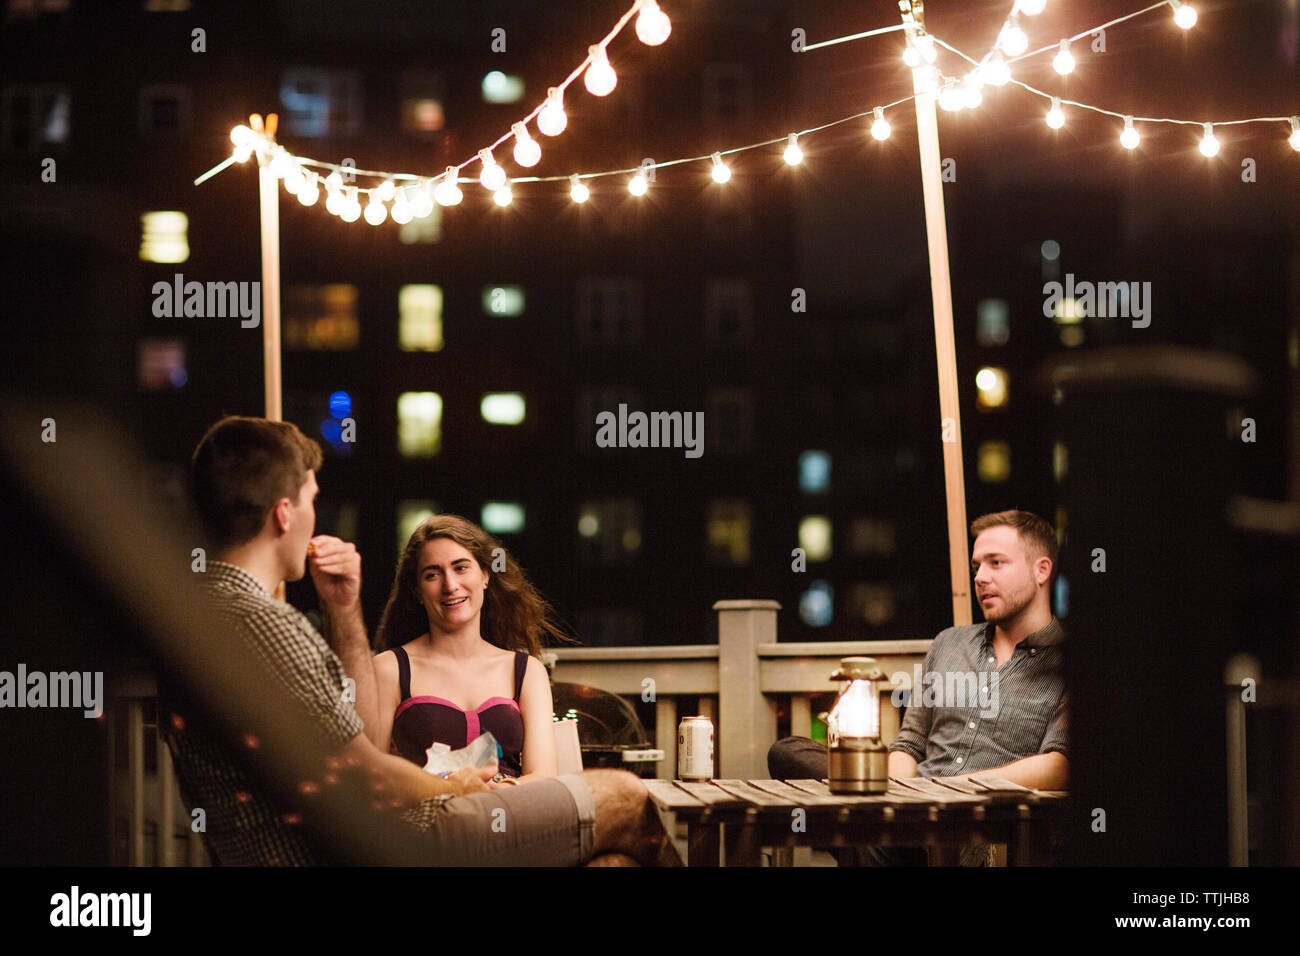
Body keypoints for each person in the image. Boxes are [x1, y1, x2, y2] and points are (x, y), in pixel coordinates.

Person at [166, 415, 679, 866]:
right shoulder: (271, 627)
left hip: (347, 839)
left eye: (462, 568)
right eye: (311, 500)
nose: (313, 517)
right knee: (630, 798)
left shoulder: (194, 618)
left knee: (612, 861)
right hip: (389, 841)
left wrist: (343, 609)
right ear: (283, 514)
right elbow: (365, 775)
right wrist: (454, 786)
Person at [768, 509, 1068, 865]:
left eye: (996, 563)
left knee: (865, 839)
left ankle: (869, 837)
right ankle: (873, 830)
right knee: (788, 753)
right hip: (908, 818)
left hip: (982, 831)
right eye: (976, 567)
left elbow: (1060, 766)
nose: (981, 577)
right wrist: (889, 797)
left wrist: (954, 789)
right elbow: (909, 745)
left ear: (1041, 570)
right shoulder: (949, 644)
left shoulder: (1067, 661)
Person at [368, 515, 563, 786]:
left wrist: (492, 794)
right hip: (428, 820)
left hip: (511, 816)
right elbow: (368, 777)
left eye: (461, 568)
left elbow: (544, 777)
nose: (450, 585)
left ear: (485, 575)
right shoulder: (389, 668)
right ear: (417, 591)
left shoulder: (527, 670)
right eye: (433, 574)